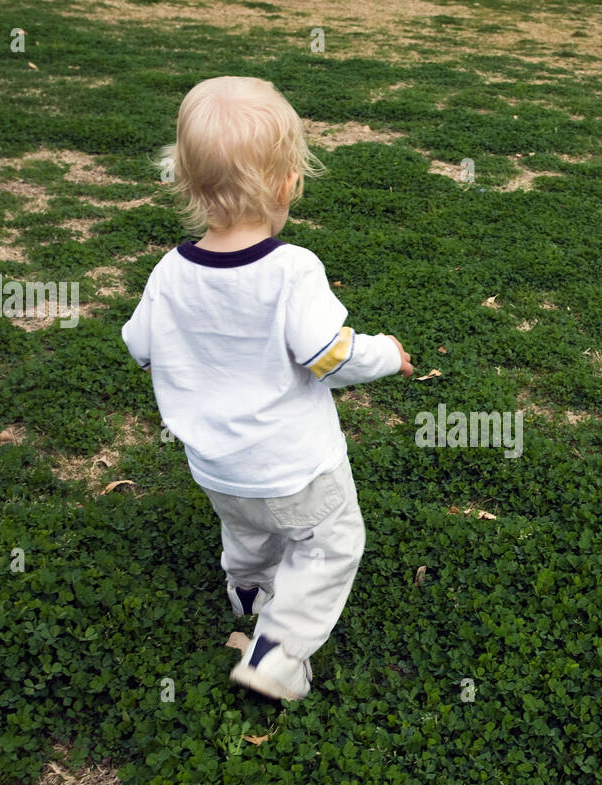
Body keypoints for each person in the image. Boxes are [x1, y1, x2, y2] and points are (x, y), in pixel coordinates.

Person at [122, 76, 414, 700]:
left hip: (217, 468)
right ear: (286, 184)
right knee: (330, 545)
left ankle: (248, 591)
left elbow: (139, 345)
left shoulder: (169, 272)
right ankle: (277, 654)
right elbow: (329, 357)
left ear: (187, 182)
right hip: (297, 467)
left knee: (250, 530)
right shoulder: (291, 269)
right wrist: (387, 354)